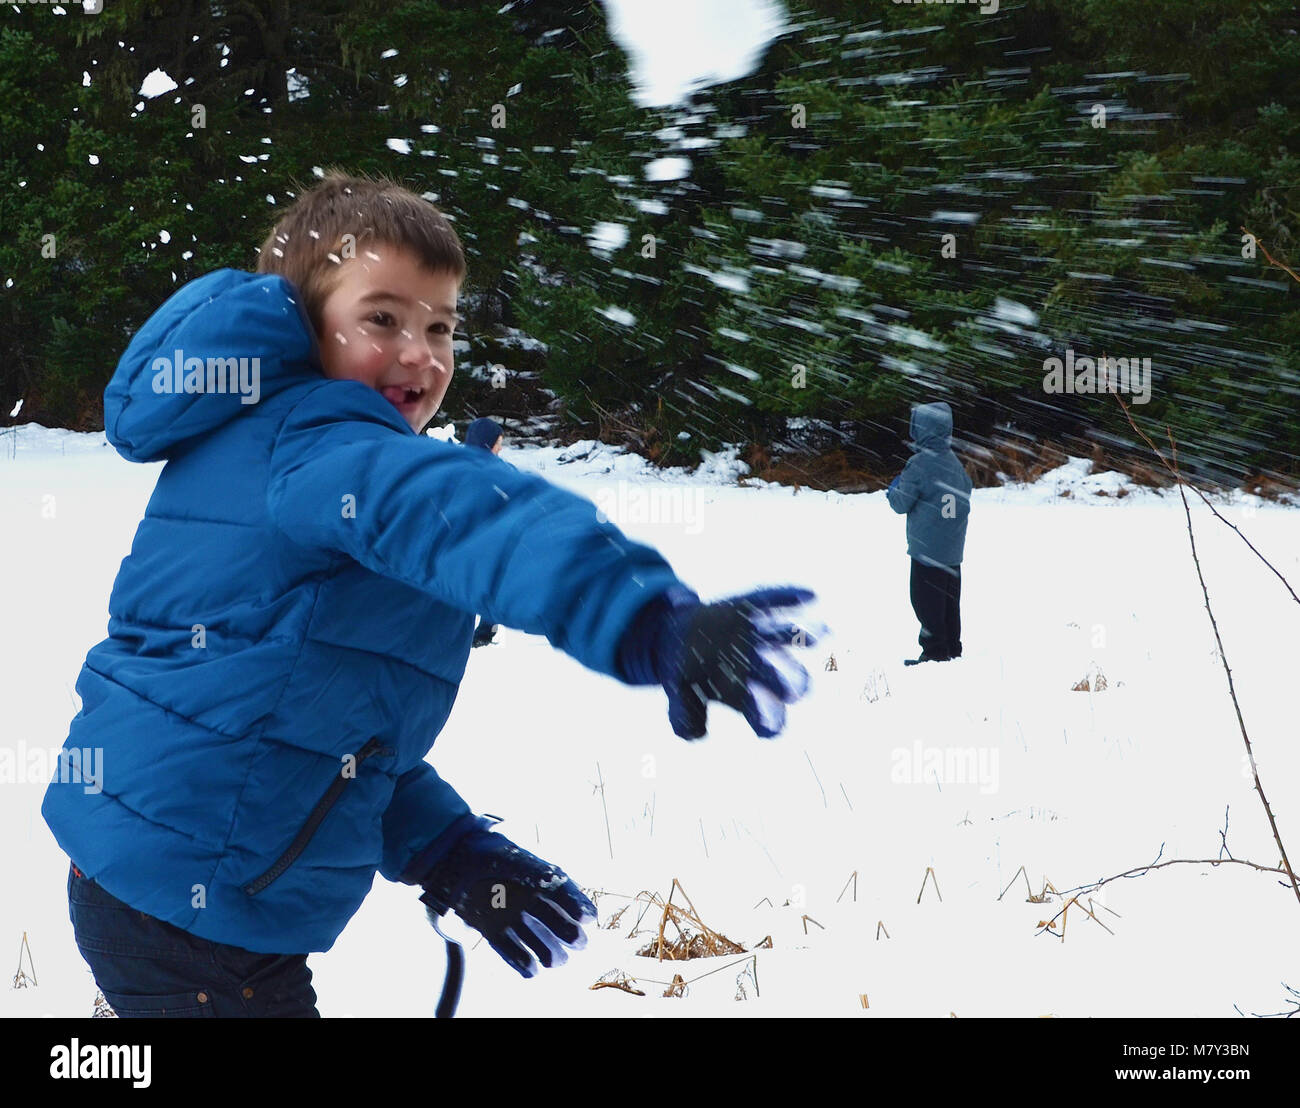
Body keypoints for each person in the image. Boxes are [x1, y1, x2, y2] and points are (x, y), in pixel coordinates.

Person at [42, 170, 817, 1018]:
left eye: (441, 326)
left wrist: (447, 848)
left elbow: (316, 733)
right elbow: (471, 521)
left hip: (168, 879)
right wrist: (642, 618)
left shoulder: (279, 444)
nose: (421, 353)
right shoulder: (317, 445)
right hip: (192, 904)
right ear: (303, 324)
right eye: (383, 319)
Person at [886, 401, 972, 665]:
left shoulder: (920, 463)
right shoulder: (953, 462)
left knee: (925, 602)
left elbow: (901, 504)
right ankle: (951, 647)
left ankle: (934, 651)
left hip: (927, 549)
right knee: (948, 602)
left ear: (920, 429)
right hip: (952, 548)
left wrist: (894, 487)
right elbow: (964, 493)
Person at [464, 417, 504, 647]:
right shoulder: (464, 469)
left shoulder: (500, 468)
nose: (501, 447)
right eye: (498, 442)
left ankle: (486, 630)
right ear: (486, 443)